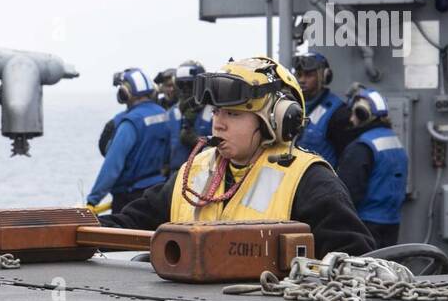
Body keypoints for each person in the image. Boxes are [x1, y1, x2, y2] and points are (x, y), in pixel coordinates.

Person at [102, 57, 376, 257]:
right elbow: (129, 224)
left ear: (278, 119)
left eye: (233, 114)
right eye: (217, 112)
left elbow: (356, 261)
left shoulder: (308, 181)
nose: (218, 124)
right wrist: (72, 228)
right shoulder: (195, 173)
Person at [88, 67, 171, 213]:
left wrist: (93, 200)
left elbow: (113, 165)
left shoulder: (130, 123)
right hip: (159, 193)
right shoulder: (164, 114)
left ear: (125, 93)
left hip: (130, 198)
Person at [336, 89, 408, 248]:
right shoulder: (394, 141)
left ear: (364, 115)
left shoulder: (361, 147)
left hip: (365, 225)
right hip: (391, 223)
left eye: (356, 113)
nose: (351, 118)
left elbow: (348, 191)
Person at [292, 51, 350, 167]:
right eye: (299, 75)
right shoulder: (291, 107)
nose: (302, 80)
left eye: (308, 75)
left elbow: (346, 160)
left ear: (324, 76)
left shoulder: (338, 112)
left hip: (323, 181)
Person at [166, 62, 214, 173]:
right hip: (175, 175)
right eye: (181, 85)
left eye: (190, 84)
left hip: (204, 174)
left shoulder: (215, 111)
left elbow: (224, 148)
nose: (185, 89)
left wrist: (197, 141)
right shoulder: (171, 113)